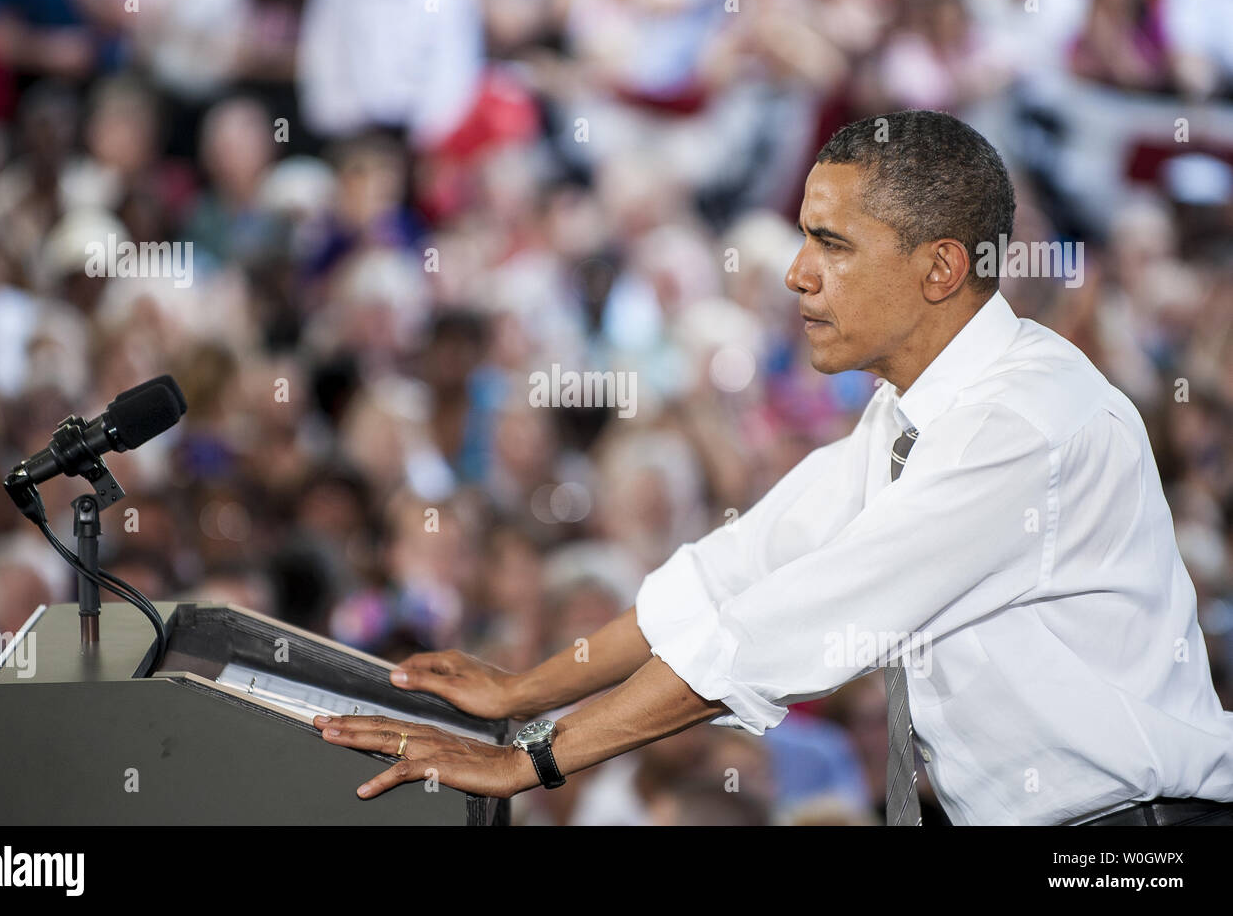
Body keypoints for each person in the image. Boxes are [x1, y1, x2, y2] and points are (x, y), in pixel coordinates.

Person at [312, 109, 1233, 826]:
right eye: (804, 236)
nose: (796, 273)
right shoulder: (919, 409)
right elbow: (738, 570)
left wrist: (533, 756)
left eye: (831, 244)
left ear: (941, 268)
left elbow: (790, 628)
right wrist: (525, 691)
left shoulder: (1022, 424)